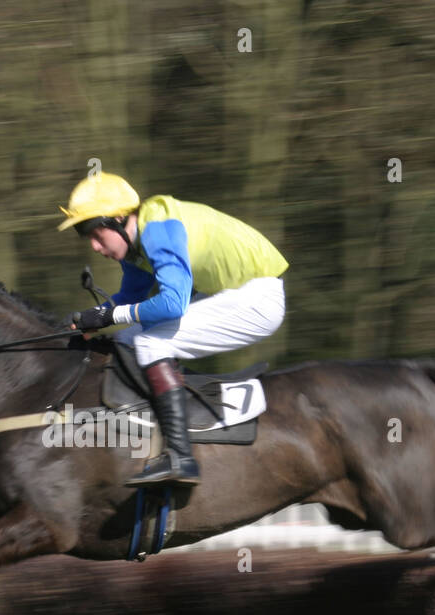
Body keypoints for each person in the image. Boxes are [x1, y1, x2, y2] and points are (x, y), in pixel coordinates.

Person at [58, 171, 289, 486]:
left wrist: (108, 317)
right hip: (230, 292)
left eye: (97, 234)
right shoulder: (135, 245)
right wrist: (86, 322)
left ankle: (180, 456)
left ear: (119, 219)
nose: (96, 247)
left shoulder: (158, 229)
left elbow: (172, 305)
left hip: (258, 299)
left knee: (152, 344)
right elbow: (128, 300)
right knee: (128, 336)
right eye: (90, 239)